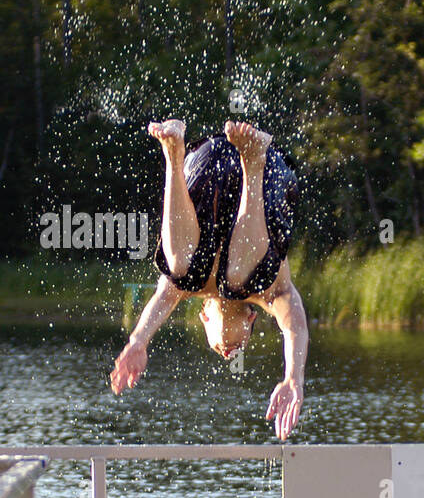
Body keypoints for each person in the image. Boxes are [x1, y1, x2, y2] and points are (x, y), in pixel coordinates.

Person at [110, 120, 308, 441]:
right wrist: (292, 378)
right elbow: (294, 326)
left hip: (203, 161)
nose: (229, 351)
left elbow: (159, 303)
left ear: (204, 317)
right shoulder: (267, 293)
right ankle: (252, 163)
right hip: (269, 172)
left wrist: (138, 341)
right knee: (240, 280)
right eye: (241, 345)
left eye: (218, 348)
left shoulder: (189, 287)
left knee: (180, 270)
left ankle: (172, 154)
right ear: (252, 317)